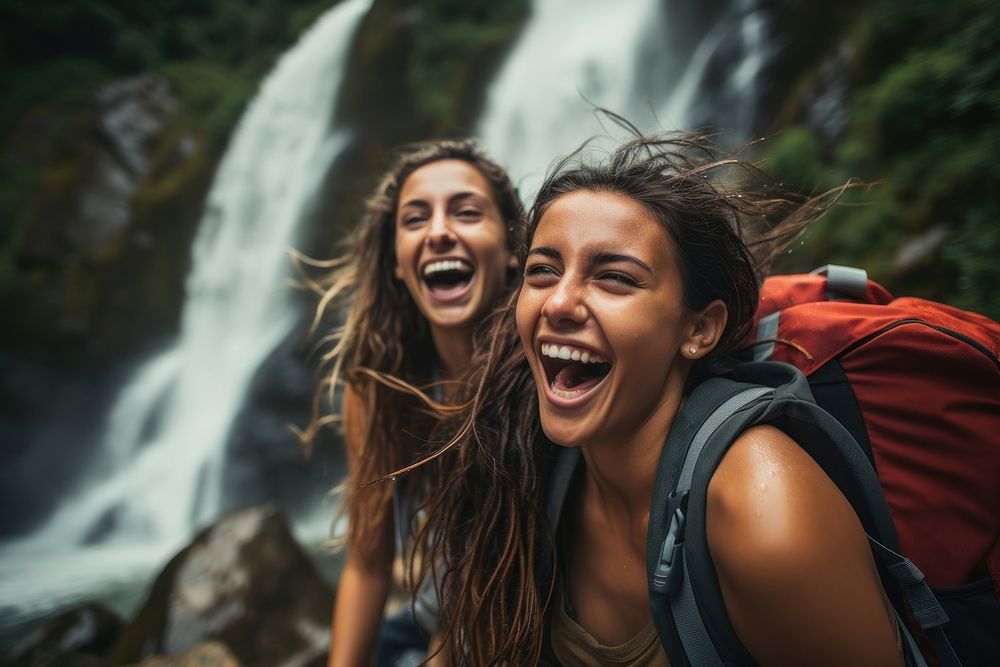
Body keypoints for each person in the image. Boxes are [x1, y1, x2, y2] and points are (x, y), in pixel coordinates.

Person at [418, 132, 905, 666]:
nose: (558, 302)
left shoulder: (761, 511)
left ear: (698, 329)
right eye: (543, 271)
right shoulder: (525, 465)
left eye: (615, 279)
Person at [298, 139, 522, 667]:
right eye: (415, 219)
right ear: (398, 264)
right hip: (423, 629)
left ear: (514, 247)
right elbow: (369, 565)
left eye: (466, 212)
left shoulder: (551, 373)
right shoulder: (380, 390)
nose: (439, 232)